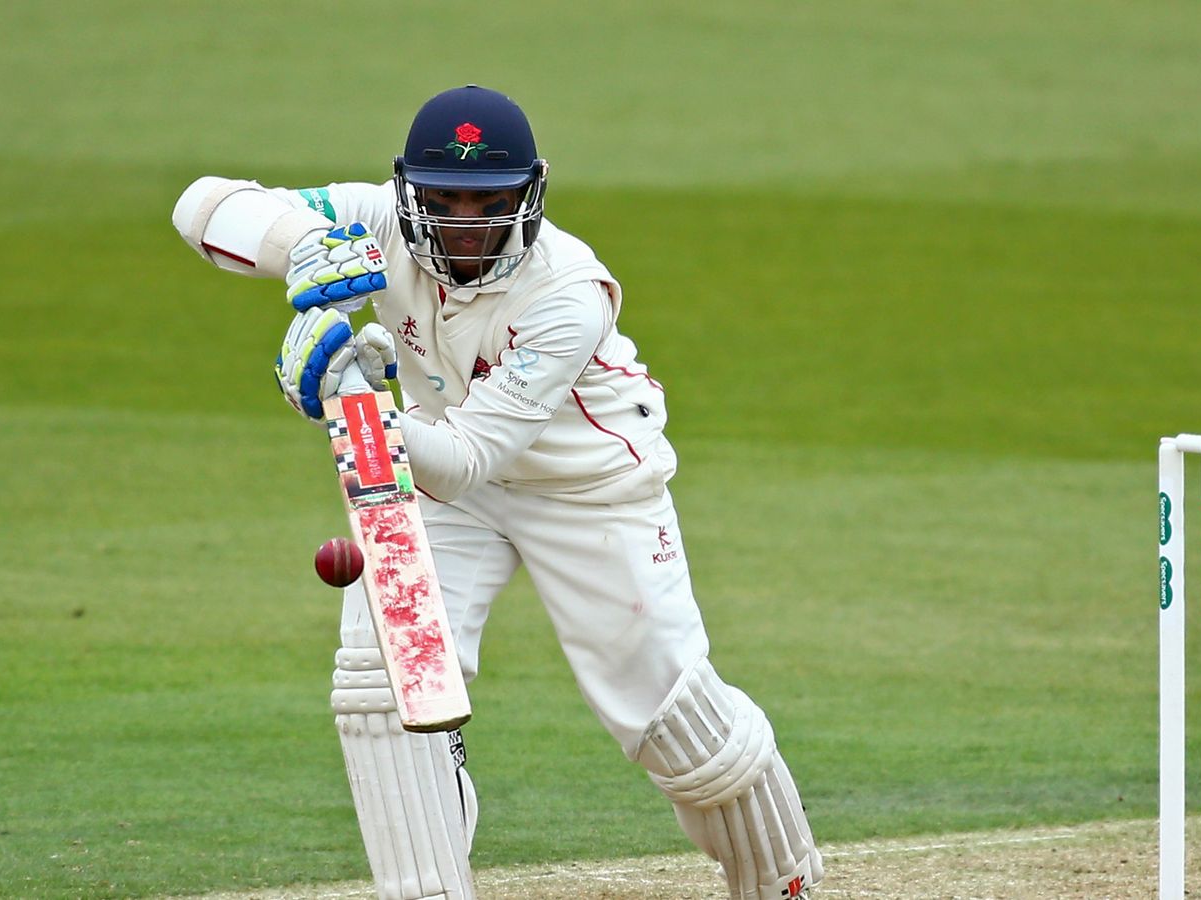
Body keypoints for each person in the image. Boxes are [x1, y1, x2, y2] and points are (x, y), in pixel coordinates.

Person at [171, 85, 822, 900]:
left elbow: (470, 456)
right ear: (407, 192)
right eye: (441, 201)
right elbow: (201, 206)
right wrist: (308, 243)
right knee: (385, 679)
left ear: (530, 195)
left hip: (588, 489)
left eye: (489, 201)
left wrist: (358, 404)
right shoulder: (372, 220)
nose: (463, 221)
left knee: (676, 727)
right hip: (444, 483)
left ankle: (781, 879)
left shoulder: (568, 293)